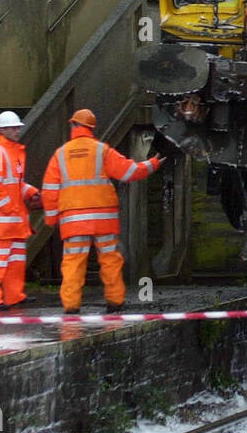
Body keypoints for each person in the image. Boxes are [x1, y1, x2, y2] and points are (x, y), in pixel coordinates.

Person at [40, 109, 164, 313]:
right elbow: (129, 172)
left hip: (74, 221)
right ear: (91, 127)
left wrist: (52, 219)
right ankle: (115, 301)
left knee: (73, 263)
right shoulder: (101, 150)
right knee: (110, 260)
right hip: (103, 220)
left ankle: (71, 306)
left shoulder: (60, 155)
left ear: (73, 125)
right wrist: (152, 164)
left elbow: (50, 191)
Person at [0, 111, 40, 311]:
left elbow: (15, 184)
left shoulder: (12, 153)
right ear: (2, 130)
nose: (17, 131)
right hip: (2, 224)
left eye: (17, 127)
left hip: (13, 222)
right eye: (13, 128)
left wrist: (31, 192)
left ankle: (15, 296)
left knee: (16, 263)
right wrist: (9, 207)